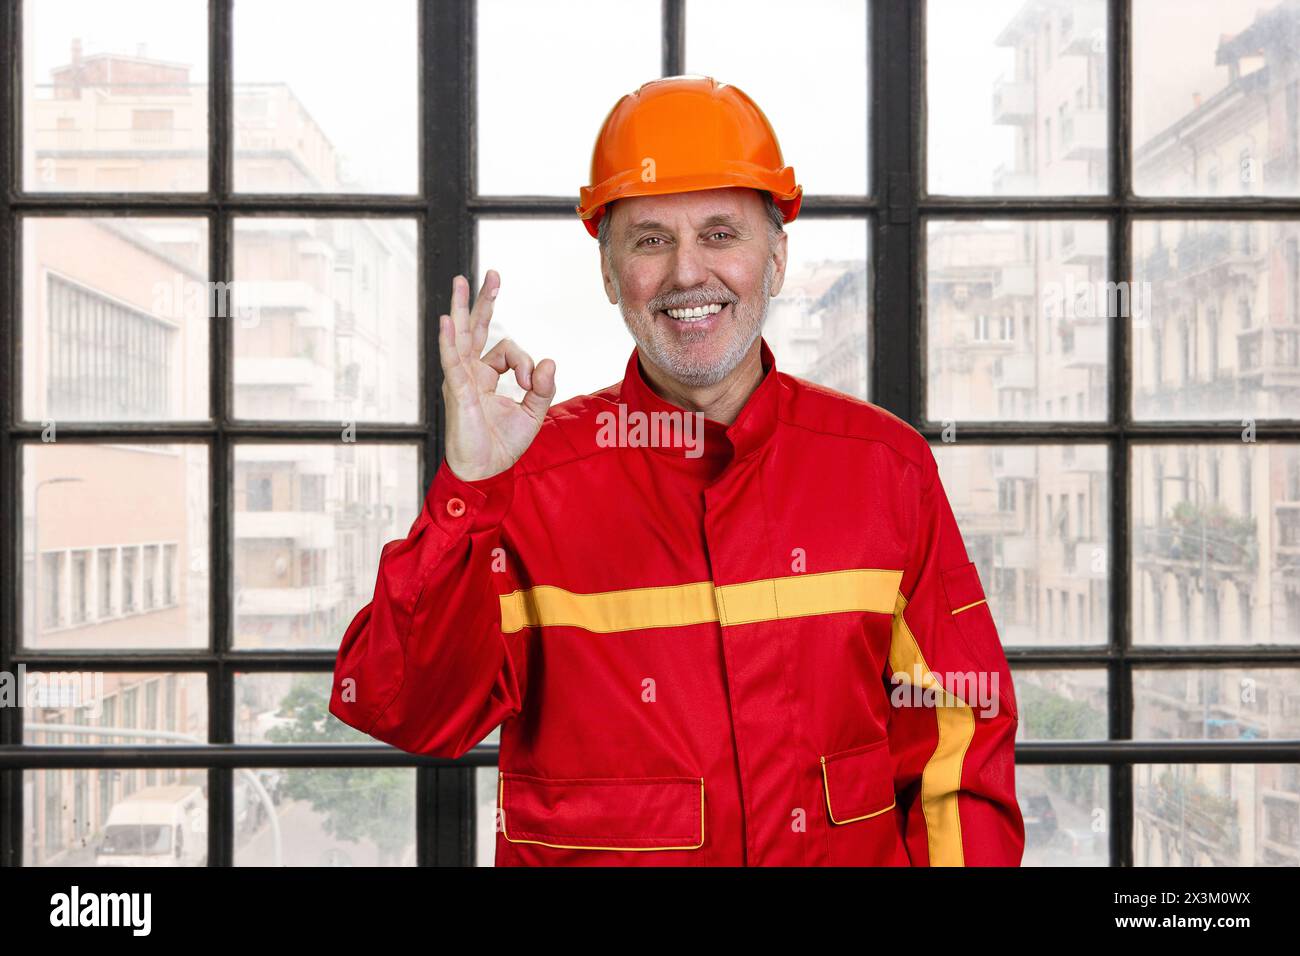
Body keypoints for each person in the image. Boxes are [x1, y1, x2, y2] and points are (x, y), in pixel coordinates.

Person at [329, 75, 1025, 866]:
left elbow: (959, 739)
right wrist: (469, 496)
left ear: (777, 258)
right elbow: (406, 709)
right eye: (651, 239)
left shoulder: (884, 468)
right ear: (608, 272)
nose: (689, 273)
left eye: (721, 233)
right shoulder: (528, 479)